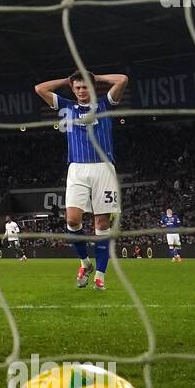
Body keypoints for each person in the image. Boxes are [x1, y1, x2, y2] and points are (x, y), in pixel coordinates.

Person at [33, 70, 129, 291]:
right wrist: (66, 81)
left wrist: (98, 78)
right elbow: (40, 88)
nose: (81, 90)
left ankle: (100, 276)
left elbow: (122, 79)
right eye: (77, 87)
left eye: (85, 87)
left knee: (102, 224)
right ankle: (85, 263)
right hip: (77, 168)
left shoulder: (105, 104)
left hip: (104, 168)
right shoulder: (67, 106)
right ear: (73, 89)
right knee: (73, 220)